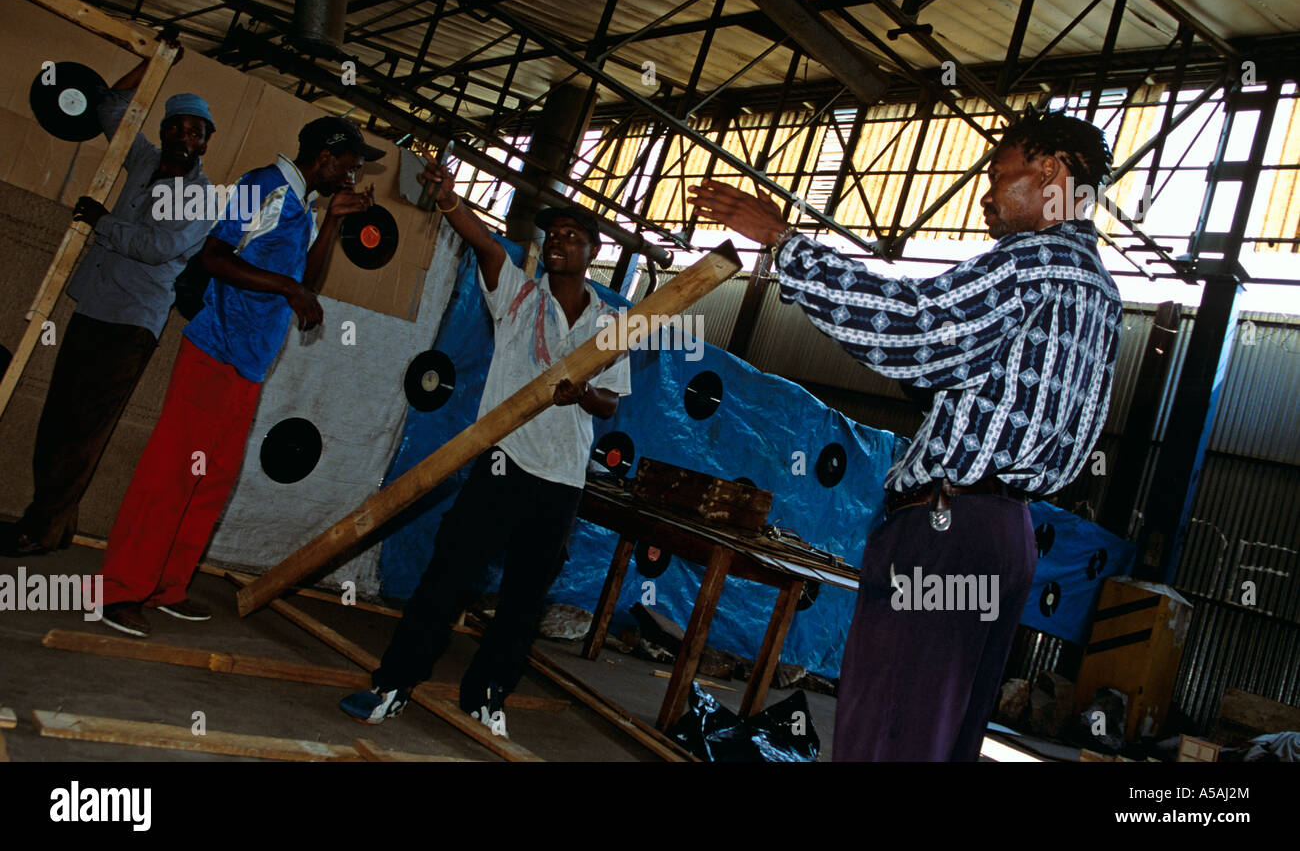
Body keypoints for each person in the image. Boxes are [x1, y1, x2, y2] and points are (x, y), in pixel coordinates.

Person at [687, 109, 1123, 761]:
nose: (986, 191)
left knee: (890, 731)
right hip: (1008, 536)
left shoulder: (1031, 263)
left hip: (950, 530)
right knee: (940, 736)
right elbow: (1001, 392)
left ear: (1051, 171)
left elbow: (910, 327)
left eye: (999, 173)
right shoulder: (1100, 293)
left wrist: (784, 240)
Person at [339, 163, 631, 733]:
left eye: (573, 236)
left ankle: (487, 695)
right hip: (503, 463)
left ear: (592, 251)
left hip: (563, 479)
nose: (558, 243)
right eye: (552, 235)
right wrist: (449, 201)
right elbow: (483, 243)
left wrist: (582, 393)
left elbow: (610, 405)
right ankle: (392, 685)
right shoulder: (518, 296)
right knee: (447, 579)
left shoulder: (613, 325)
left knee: (524, 600)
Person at [98, 116, 381, 637]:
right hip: (214, 354)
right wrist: (288, 289)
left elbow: (308, 285)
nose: (352, 176)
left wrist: (335, 222)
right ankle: (119, 591)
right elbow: (214, 256)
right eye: (349, 167)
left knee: (210, 483)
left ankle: (166, 587)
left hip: (248, 367)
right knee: (171, 476)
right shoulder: (263, 186)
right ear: (324, 158)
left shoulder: (301, 207)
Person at [1, 49, 216, 558]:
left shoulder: (201, 195)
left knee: (82, 430)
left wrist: (102, 220)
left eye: (197, 132)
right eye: (178, 127)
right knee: (61, 418)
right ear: (163, 130)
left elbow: (158, 246)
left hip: (130, 325)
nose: (186, 138)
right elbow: (108, 103)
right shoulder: (143, 160)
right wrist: (155, 58)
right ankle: (58, 523)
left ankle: (41, 528)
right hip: (94, 305)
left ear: (207, 140)